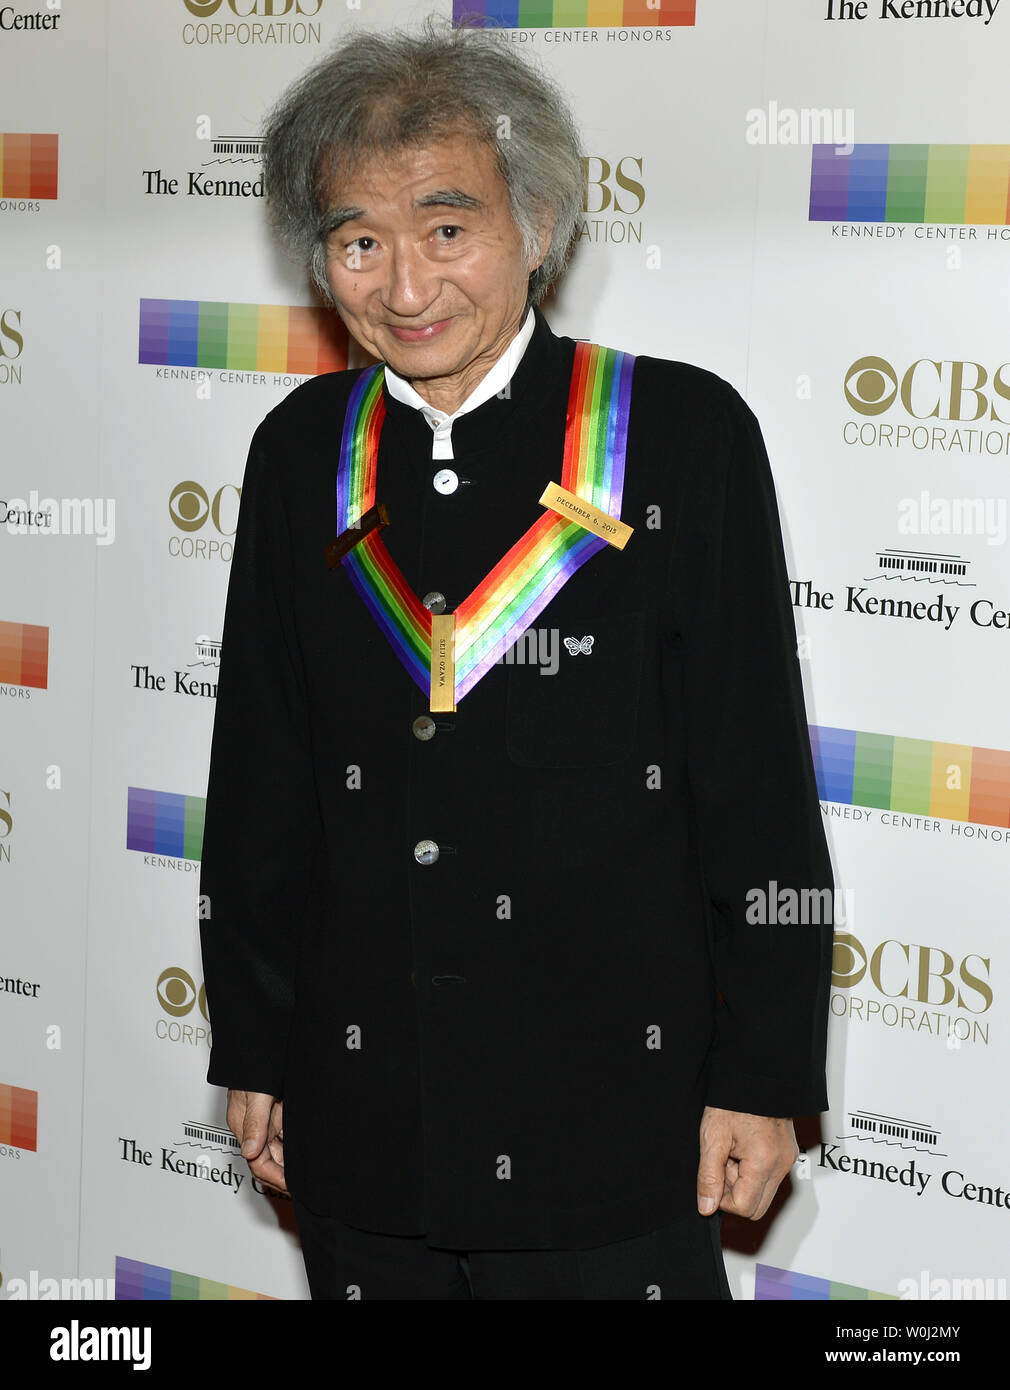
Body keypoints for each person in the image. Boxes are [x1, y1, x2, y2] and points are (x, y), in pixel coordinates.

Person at [199, 18, 834, 1301]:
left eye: (447, 228)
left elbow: (753, 785)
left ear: (537, 226)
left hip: (613, 1118)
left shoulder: (677, 434)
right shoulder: (296, 452)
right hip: (363, 1104)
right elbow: (263, 776)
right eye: (356, 239)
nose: (403, 284)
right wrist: (255, 1040)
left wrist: (762, 1076)